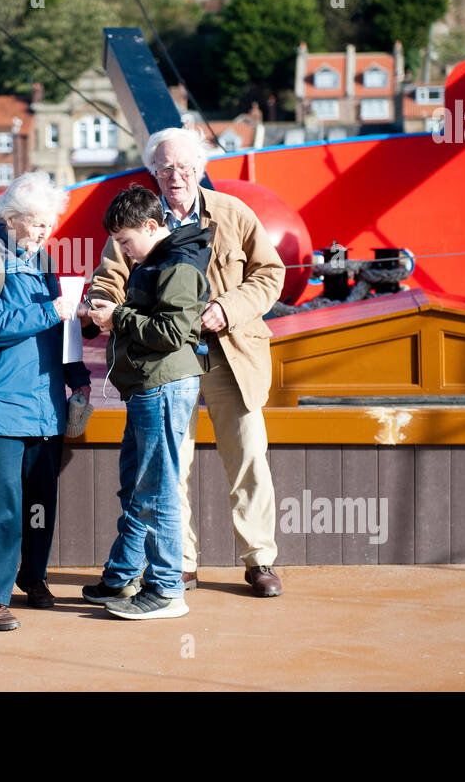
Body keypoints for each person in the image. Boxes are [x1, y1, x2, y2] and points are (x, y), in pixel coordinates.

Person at [85, 127, 286, 597]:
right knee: (172, 465)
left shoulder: (233, 214)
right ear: (153, 171)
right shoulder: (141, 220)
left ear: (201, 168)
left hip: (232, 355)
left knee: (249, 457)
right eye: (166, 167)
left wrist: (227, 308)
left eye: (185, 167)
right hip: (166, 361)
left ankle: (260, 560)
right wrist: (99, 306)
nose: (176, 176)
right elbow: (107, 278)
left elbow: (270, 274)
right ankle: (180, 562)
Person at [0, 172, 91, 631]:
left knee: (39, 501)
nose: (44, 232)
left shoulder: (45, 261)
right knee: (0, 507)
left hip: (44, 404)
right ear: (10, 219)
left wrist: (77, 378)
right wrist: (52, 309)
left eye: (49, 223)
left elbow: (62, 332)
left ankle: (33, 577)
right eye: (36, 223)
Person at [79, 185, 211, 620]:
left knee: (155, 488)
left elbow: (172, 333)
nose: (123, 252)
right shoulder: (161, 260)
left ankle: (167, 588)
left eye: (125, 241)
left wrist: (115, 317)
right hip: (150, 387)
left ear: (151, 226)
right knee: (139, 484)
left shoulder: (176, 264)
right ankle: (122, 576)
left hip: (162, 387)